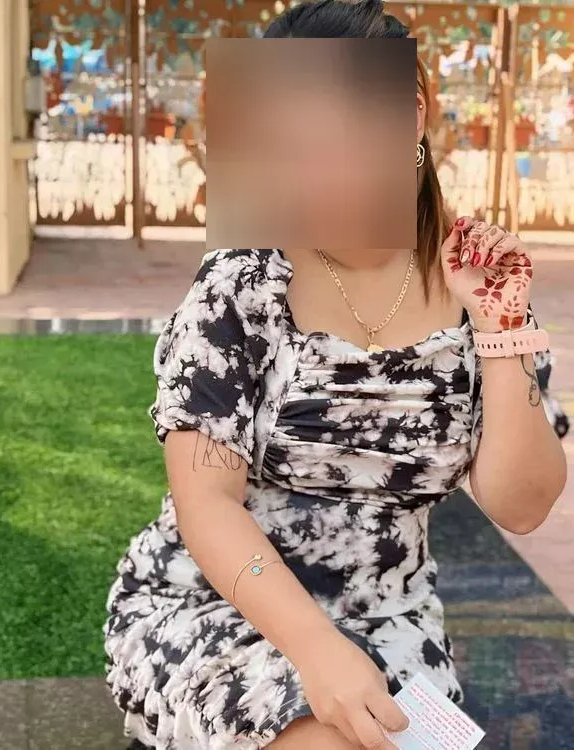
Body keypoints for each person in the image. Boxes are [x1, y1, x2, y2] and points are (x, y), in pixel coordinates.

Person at [104, 2, 567, 749]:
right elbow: (206, 502)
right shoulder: (242, 283)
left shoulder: (477, 281)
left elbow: (521, 506)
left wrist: (498, 326)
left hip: (390, 616)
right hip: (222, 602)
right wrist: (317, 653)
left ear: (411, 114)